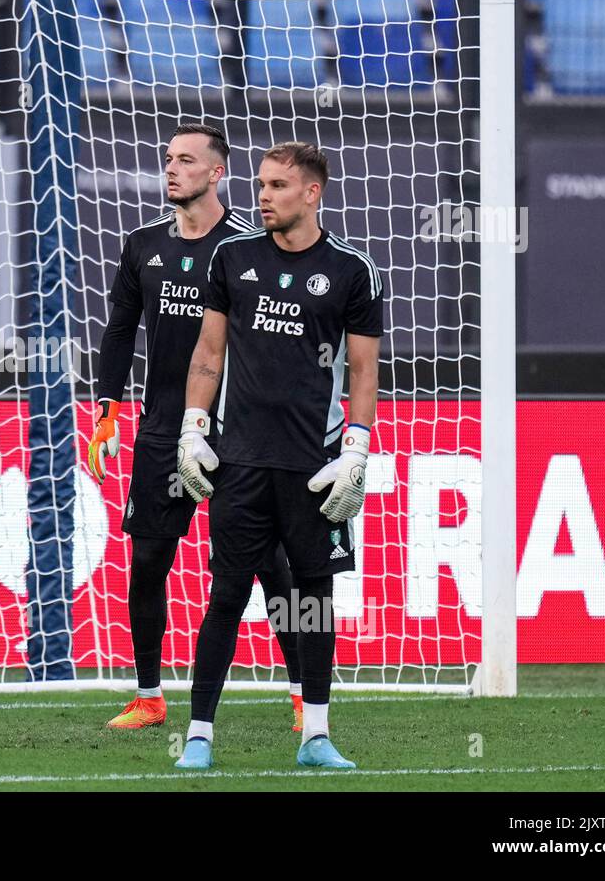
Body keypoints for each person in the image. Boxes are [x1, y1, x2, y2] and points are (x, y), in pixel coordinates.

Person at [173, 141, 383, 770]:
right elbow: (209, 355)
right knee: (227, 598)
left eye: (277, 186)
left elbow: (364, 370)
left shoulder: (352, 270)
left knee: (313, 600)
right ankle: (199, 738)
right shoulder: (232, 260)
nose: (263, 196)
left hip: (315, 465)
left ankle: (315, 735)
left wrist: (357, 449)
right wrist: (192, 428)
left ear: (311, 193)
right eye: (260, 185)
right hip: (240, 461)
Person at [87, 123, 303, 732]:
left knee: (268, 565)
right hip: (162, 429)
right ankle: (150, 697)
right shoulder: (142, 245)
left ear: (217, 173)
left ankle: (299, 696)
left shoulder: (251, 246)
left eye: (186, 160)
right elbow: (120, 330)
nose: (172, 169)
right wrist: (107, 408)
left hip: (237, 433)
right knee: (148, 560)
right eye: (167, 159)